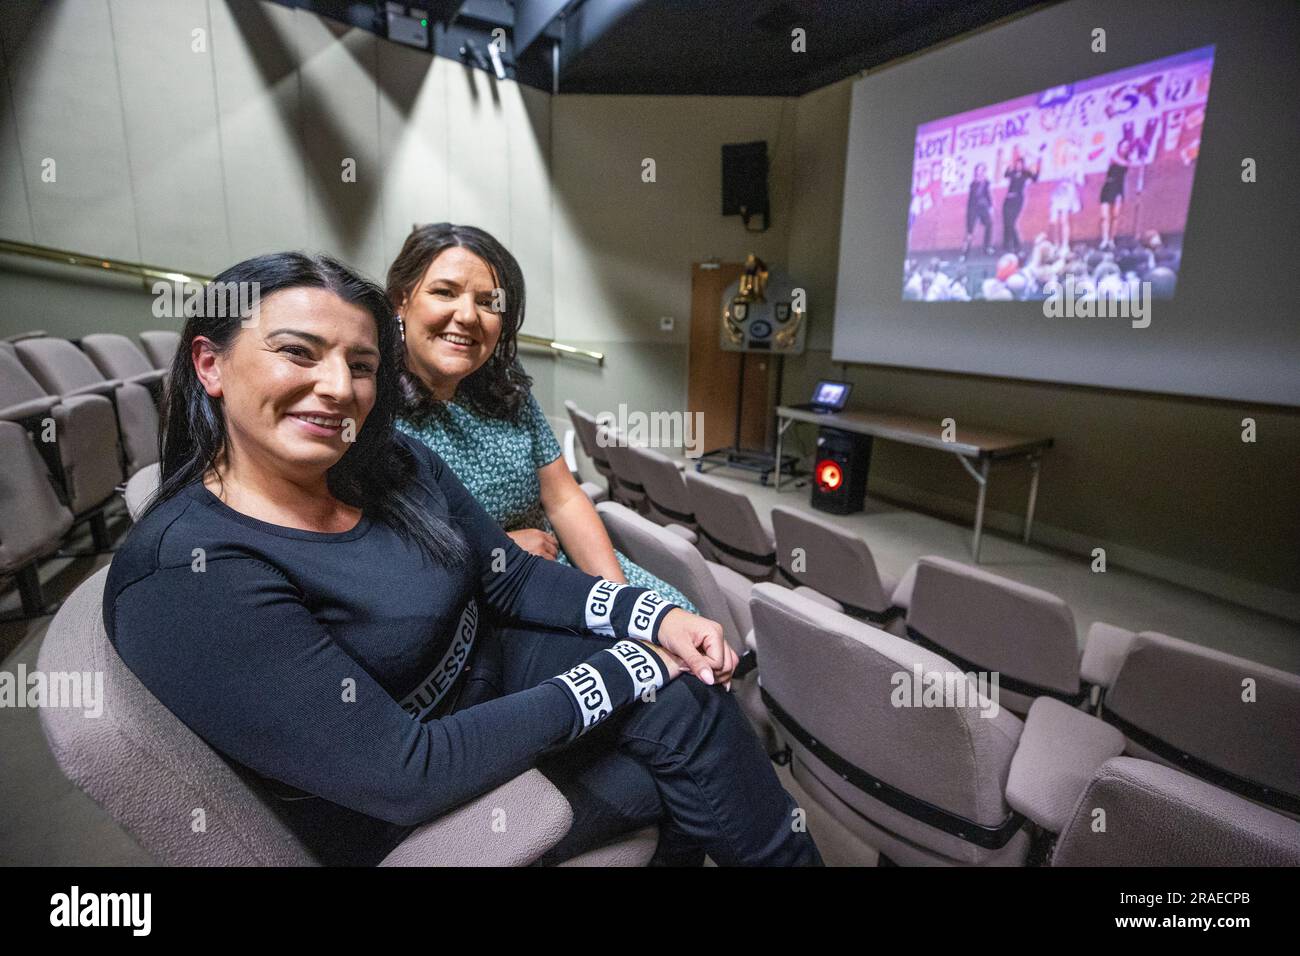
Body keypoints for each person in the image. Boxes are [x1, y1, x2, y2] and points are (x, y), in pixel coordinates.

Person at [103, 251, 822, 867]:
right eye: (297, 351)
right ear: (209, 364)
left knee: (691, 706)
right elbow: (402, 772)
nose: (336, 387)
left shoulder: (387, 460)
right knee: (681, 760)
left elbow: (507, 577)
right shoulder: (186, 574)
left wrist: (652, 617)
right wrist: (631, 667)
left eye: (360, 365)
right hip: (402, 797)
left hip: (483, 689)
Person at [386, 222, 696, 613]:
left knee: (680, 621)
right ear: (401, 299)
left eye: (488, 302)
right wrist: (498, 551)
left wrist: (621, 603)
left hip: (560, 560)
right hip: (477, 598)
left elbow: (563, 499)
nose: (467, 315)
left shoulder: (506, 389)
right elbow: (381, 553)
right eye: (444, 292)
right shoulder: (372, 411)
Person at [1001, 149, 1041, 255]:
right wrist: (1009, 165)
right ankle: (1007, 246)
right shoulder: (1012, 172)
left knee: (1012, 223)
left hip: (1018, 200)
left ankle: (1017, 246)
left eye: (1020, 164)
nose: (1018, 165)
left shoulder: (1025, 173)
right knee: (1006, 222)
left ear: (1023, 164)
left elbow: (1035, 178)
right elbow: (1005, 175)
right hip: (1008, 199)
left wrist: (1038, 162)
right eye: (1017, 164)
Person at [961, 162, 994, 259]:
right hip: (973, 209)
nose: (980, 172)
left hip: (983, 208)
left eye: (982, 170)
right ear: (976, 171)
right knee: (970, 232)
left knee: (989, 224)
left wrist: (990, 206)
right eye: (978, 170)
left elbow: (988, 195)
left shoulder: (986, 182)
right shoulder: (973, 184)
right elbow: (972, 198)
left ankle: (986, 247)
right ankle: (965, 253)